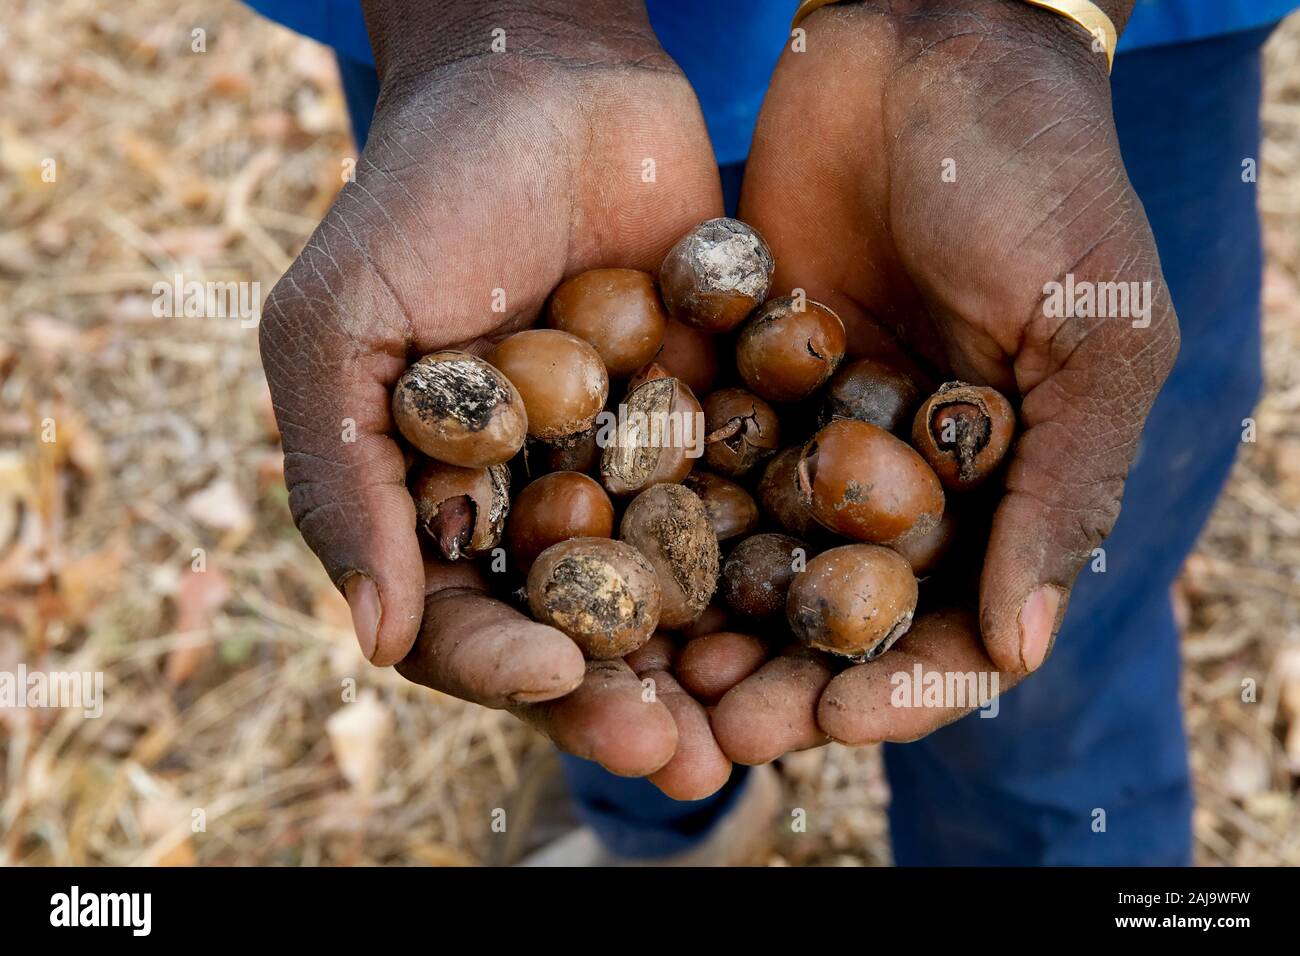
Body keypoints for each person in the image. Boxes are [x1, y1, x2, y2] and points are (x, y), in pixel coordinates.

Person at [250, 0, 1297, 865]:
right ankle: (652, 829)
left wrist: (995, 23)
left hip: (1102, 62)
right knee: (586, 681)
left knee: (1046, 627)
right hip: (495, 48)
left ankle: (1044, 828)